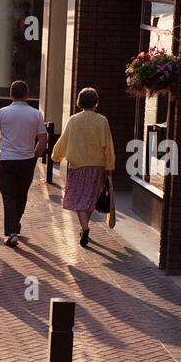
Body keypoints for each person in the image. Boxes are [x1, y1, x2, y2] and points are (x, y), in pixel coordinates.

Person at [52, 86, 116, 248]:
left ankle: (85, 228)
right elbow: (108, 146)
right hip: (97, 167)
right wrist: (109, 165)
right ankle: (84, 229)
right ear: (96, 103)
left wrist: (56, 156)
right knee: (90, 198)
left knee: (78, 199)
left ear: (79, 102)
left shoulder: (74, 120)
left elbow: (64, 141)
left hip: (77, 166)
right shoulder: (102, 121)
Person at [0, 80, 48, 246]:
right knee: (21, 195)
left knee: (8, 196)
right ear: (27, 95)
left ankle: (11, 232)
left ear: (10, 95)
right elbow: (43, 138)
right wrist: (35, 155)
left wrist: (1, 142)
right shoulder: (36, 114)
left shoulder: (3, 112)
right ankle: (15, 226)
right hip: (26, 160)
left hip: (7, 160)